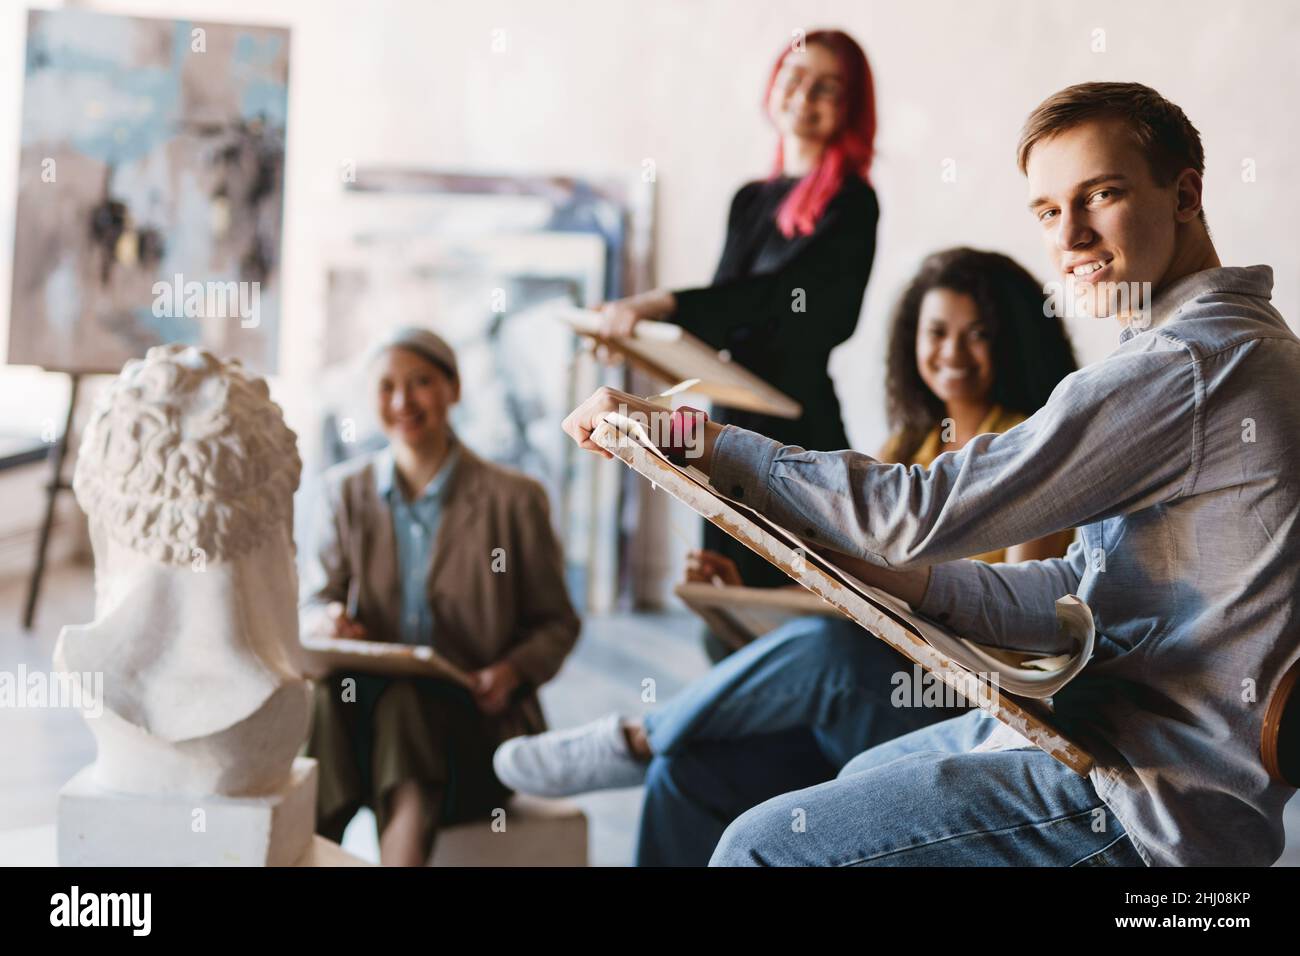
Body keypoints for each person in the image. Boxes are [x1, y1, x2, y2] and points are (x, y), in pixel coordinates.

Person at [560, 82, 1300, 867]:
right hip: (1102, 747)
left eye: (1101, 195)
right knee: (854, 774)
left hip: (1141, 799)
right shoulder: (1233, 349)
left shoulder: (1186, 366)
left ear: (1184, 195)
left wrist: (685, 433)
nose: (1070, 234)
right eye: (1048, 210)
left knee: (757, 848)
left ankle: (642, 739)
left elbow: (912, 515)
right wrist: (908, 584)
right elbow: (1080, 597)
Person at [496, 248, 1079, 864]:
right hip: (875, 692)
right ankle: (657, 746)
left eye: (978, 334)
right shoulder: (907, 444)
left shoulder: (1027, 446)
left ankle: (640, 735)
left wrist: (680, 433)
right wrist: (747, 598)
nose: (953, 352)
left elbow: (1017, 636)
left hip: (957, 709)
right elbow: (860, 580)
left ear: (1012, 339)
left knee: (835, 656)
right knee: (687, 773)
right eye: (937, 332)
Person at [599, 29, 880, 611]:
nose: (805, 96)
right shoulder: (749, 199)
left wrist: (664, 302)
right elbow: (725, 315)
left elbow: (784, 303)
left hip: (797, 422)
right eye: (795, 77)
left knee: (800, 600)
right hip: (729, 417)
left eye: (827, 88)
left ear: (850, 108)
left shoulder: (853, 202)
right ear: (773, 85)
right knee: (722, 594)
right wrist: (636, 339)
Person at [301, 327, 580, 866]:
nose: (402, 401)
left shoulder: (515, 499)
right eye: (386, 387)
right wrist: (326, 619)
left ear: (453, 389)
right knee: (331, 700)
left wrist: (512, 671)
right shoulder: (344, 493)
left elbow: (557, 623)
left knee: (409, 702)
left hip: (474, 732)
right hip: (362, 736)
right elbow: (314, 602)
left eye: (421, 382)